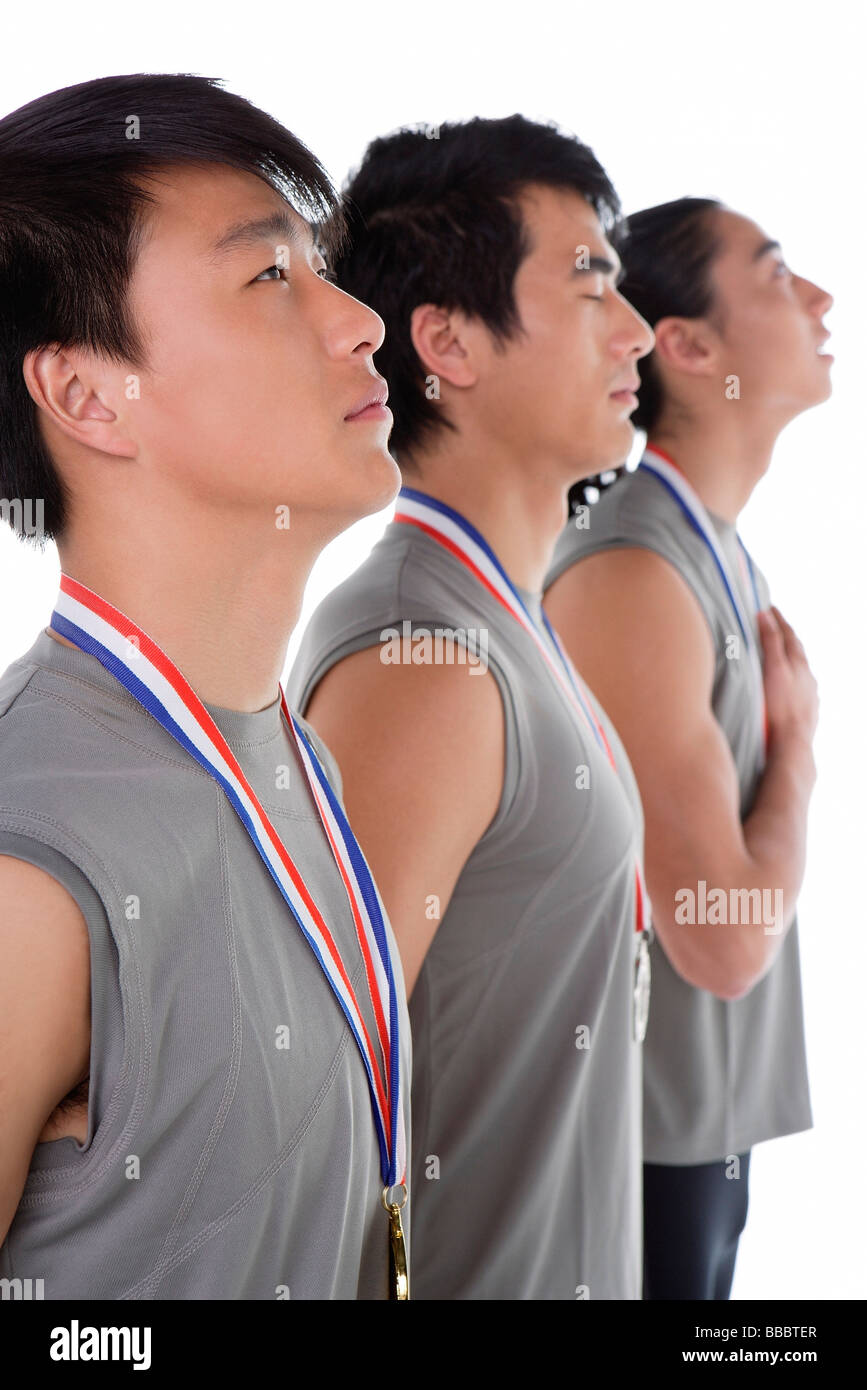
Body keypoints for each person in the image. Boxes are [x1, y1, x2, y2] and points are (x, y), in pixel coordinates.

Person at [0, 73, 411, 1300]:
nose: (361, 323)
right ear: (86, 395)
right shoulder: (33, 847)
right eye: (269, 276)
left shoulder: (291, 755)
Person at [287, 115, 655, 1300]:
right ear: (446, 339)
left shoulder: (505, 625)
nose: (639, 330)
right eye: (591, 282)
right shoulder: (427, 661)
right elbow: (304, 1102)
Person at [545, 197, 827, 1299]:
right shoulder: (631, 571)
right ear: (690, 346)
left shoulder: (711, 547)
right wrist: (798, 751)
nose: (819, 298)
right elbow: (723, 945)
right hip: (646, 1150)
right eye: (774, 274)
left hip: (698, 1128)